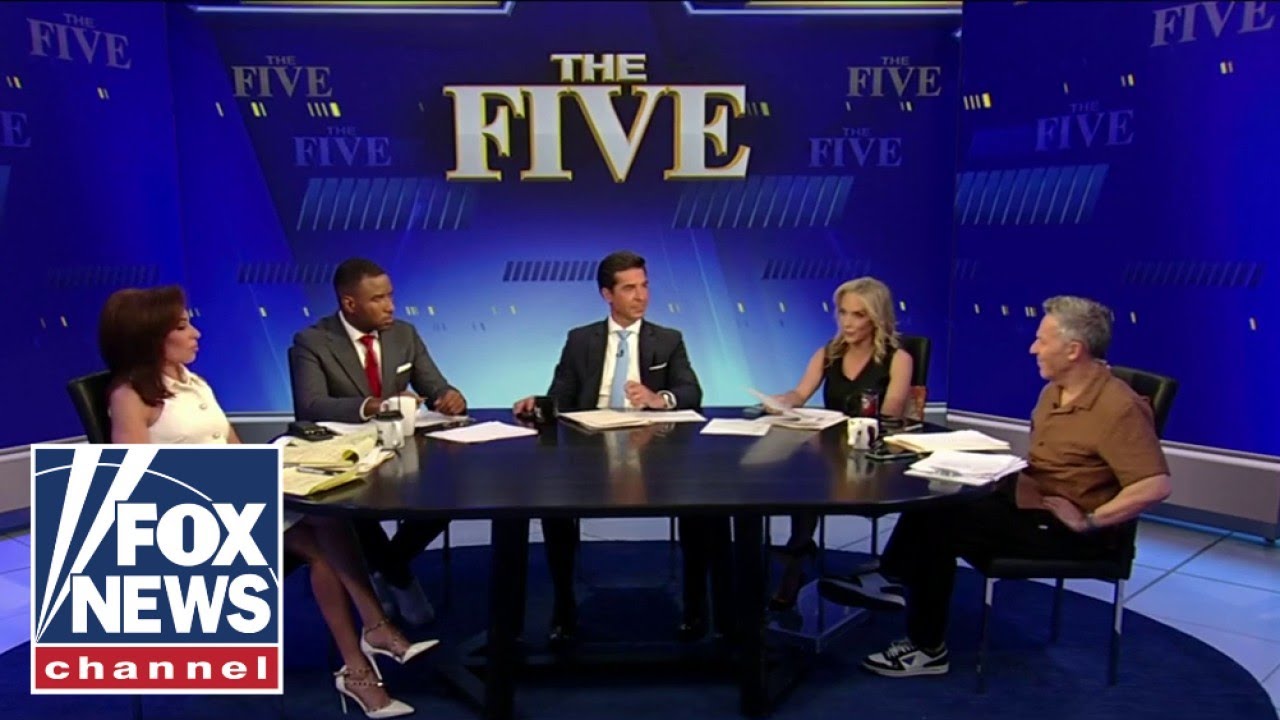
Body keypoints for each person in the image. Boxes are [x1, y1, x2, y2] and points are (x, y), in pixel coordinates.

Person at [100, 286, 436, 717]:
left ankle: (367, 647)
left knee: (329, 518)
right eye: (182, 327)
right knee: (324, 540)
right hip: (190, 518)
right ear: (149, 338)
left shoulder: (192, 383)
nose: (196, 333)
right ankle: (370, 645)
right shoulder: (130, 396)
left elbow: (233, 447)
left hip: (235, 499)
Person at [818, 295, 1172, 677]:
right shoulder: (1054, 390)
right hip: (1030, 501)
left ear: (1073, 350)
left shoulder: (1118, 407)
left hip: (1065, 529)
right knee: (934, 499)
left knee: (941, 527)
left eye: (1042, 340)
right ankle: (891, 577)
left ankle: (925, 646)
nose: (1033, 348)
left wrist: (1089, 520)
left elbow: (1155, 484)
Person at [513, 251, 729, 644]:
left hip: (656, 451)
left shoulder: (668, 339)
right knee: (554, 507)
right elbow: (561, 394)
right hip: (589, 449)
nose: (641, 296)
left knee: (701, 507)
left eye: (644, 286)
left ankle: (698, 608)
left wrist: (659, 398)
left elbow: (691, 391)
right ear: (607, 294)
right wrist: (539, 403)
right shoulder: (581, 339)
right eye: (629, 288)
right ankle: (564, 606)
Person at [289, 258, 468, 626]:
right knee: (353, 507)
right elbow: (310, 405)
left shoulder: (404, 334)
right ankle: (401, 581)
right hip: (344, 452)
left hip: (401, 450)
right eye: (378, 299)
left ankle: (385, 569)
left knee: (448, 496)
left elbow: (435, 386)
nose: (390, 306)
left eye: (390, 296)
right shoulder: (312, 341)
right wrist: (376, 405)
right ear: (349, 303)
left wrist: (449, 397)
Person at [765, 277, 913, 610]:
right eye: (843, 312)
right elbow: (800, 393)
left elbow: (891, 414)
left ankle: (797, 557)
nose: (847, 322)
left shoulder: (898, 359)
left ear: (876, 317)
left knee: (813, 480)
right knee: (801, 473)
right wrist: (781, 402)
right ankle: (797, 553)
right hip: (830, 453)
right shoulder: (828, 353)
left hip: (870, 457)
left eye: (858, 315)